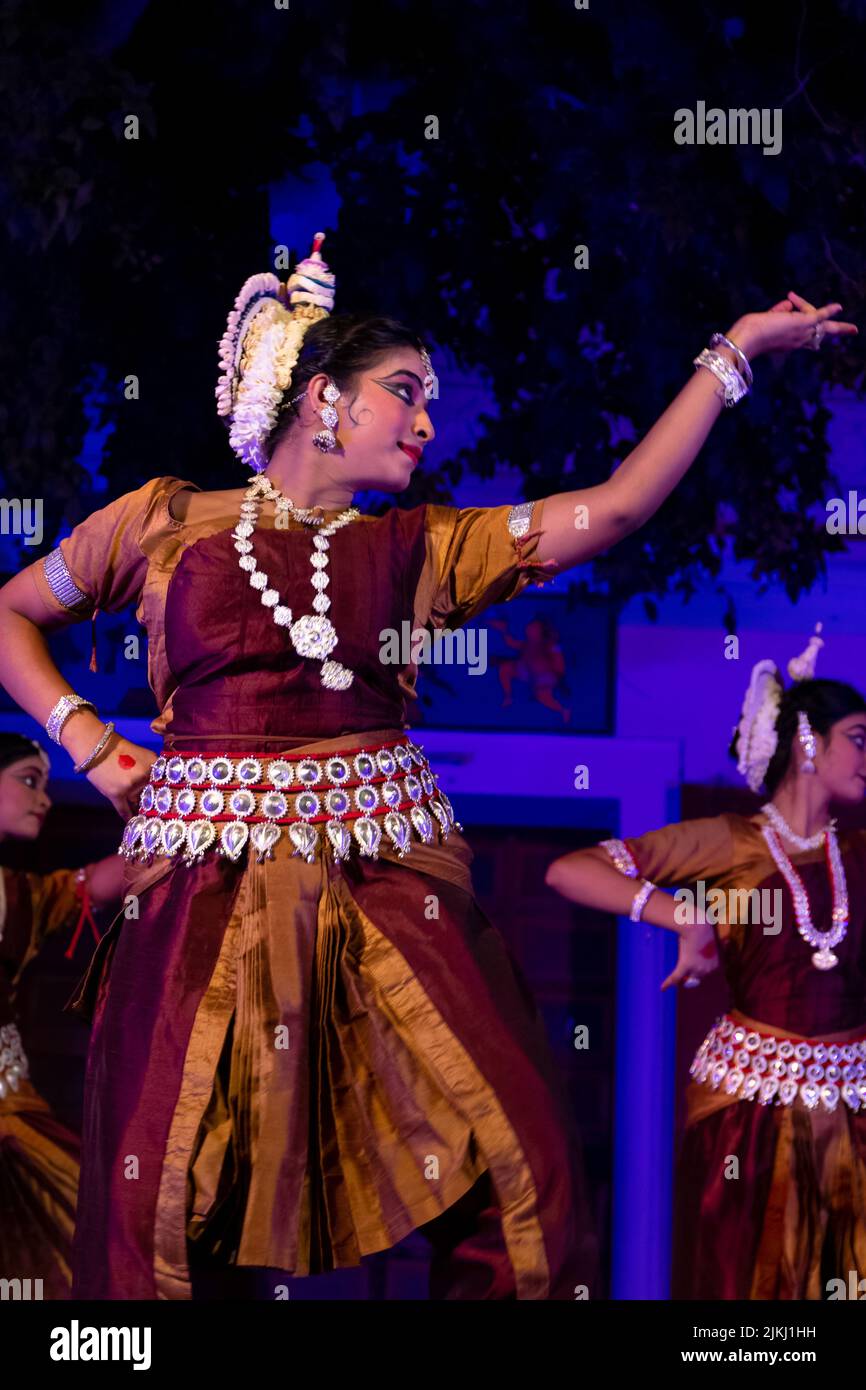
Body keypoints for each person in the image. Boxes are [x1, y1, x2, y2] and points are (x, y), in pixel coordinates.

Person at [0, 232, 853, 1300]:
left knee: (524, 1170)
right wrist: (87, 739)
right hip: (198, 905)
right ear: (322, 400)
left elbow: (619, 504)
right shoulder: (161, 523)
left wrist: (731, 351)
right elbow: (10, 616)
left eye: (428, 398)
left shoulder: (423, 548)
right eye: (403, 391)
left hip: (385, 895)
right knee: (153, 1212)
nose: (427, 421)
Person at [545, 627, 866, 1299]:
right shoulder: (728, 842)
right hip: (749, 1111)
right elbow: (570, 870)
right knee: (749, 1288)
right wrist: (679, 914)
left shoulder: (858, 852)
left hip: (856, 1112)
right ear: (808, 741)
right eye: (859, 739)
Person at [0, 732, 124, 1298]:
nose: (44, 799)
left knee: (86, 1215)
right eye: (28, 782)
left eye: (46, 786)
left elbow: (99, 882)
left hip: (12, 1112)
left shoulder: (21, 895)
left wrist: (194, 814)